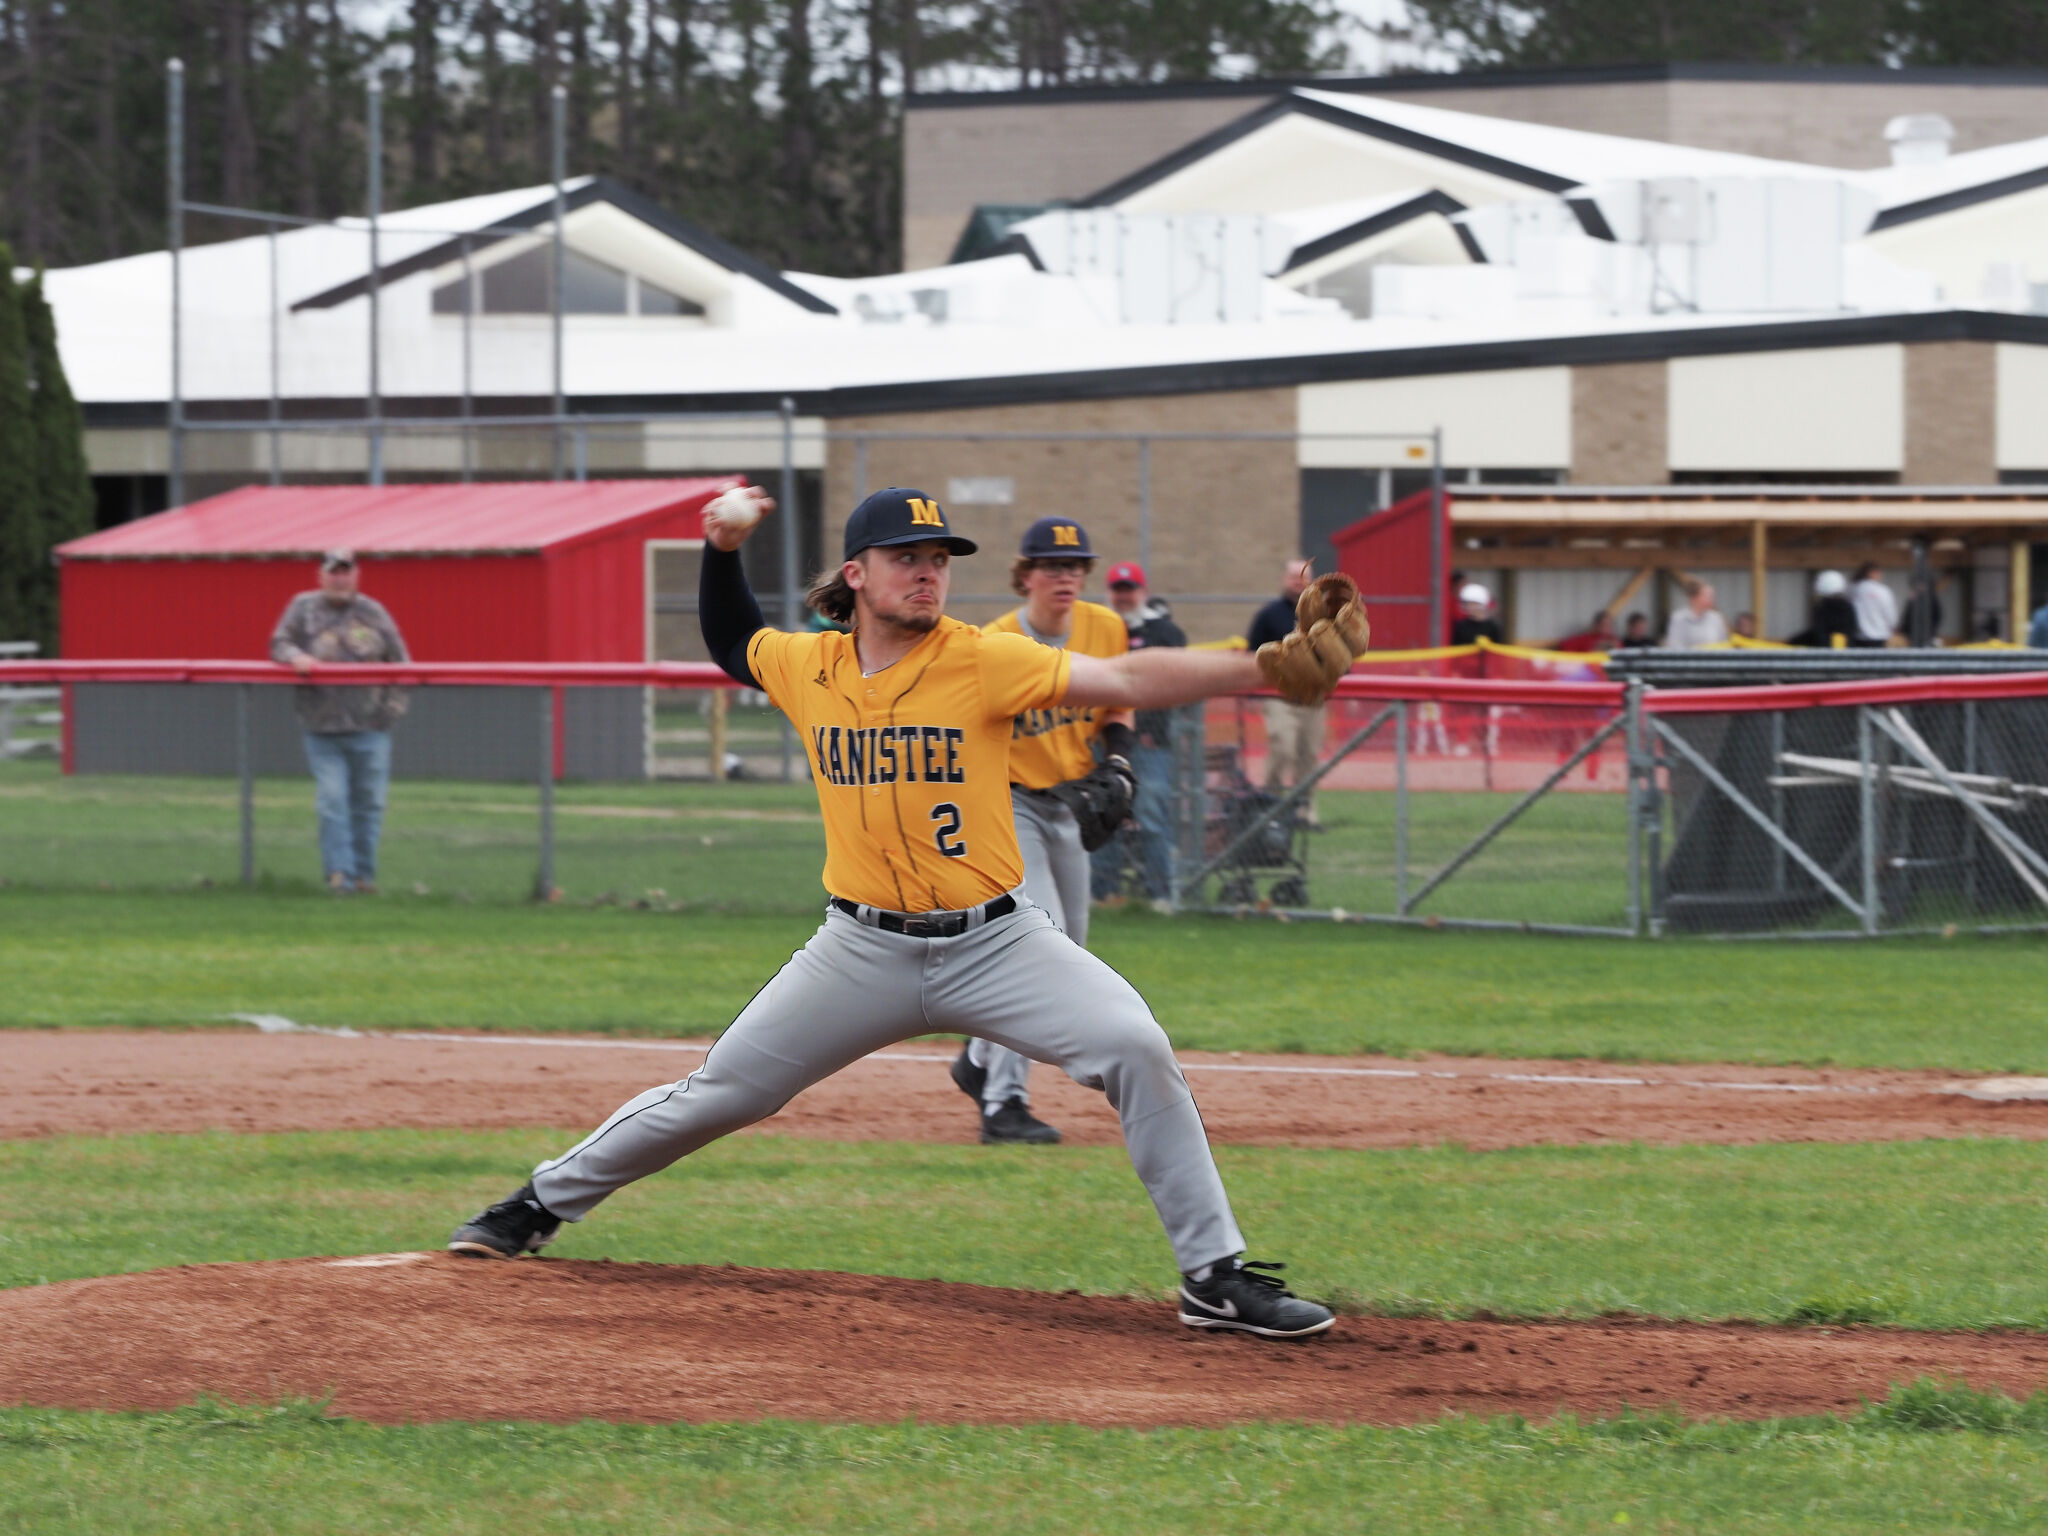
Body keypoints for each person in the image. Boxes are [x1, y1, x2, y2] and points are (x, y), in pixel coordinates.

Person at [448, 485, 1342, 1340]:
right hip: (858, 951)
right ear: (856, 574)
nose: (927, 572)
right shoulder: (811, 667)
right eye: (906, 556)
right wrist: (721, 549)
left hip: (998, 941)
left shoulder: (981, 657)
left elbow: (1125, 676)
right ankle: (538, 1203)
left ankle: (1214, 1276)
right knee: (724, 1091)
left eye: (940, 559)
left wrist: (1259, 666)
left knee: (1135, 1045)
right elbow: (733, 640)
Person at [947, 516, 1132, 1147]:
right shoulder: (996, 642)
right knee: (1039, 945)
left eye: (1076, 566)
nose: (1065, 577)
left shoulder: (1105, 628)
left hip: (1069, 804)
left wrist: (1119, 762)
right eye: (1052, 566)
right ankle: (1003, 1104)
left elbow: (1119, 704)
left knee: (1070, 947)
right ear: (1025, 575)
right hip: (1009, 803)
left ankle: (978, 1060)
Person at [269, 550, 410, 894]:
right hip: (322, 728)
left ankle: (363, 876)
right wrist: (296, 656)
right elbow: (278, 643)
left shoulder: (373, 612)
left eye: (346, 572)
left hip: (371, 728)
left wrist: (390, 712)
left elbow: (402, 663)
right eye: (334, 572)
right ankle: (339, 875)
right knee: (332, 801)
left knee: (369, 803)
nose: (340, 579)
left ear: (356, 576)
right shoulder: (303, 608)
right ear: (321, 576)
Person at [1096, 560, 1185, 905]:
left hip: (1149, 743)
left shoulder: (1163, 632)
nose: (1123, 597)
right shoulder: (1097, 628)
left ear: (1142, 593)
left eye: (1129, 590)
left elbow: (1173, 683)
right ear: (1109, 593)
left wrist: (1154, 732)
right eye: (1118, 590)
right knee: (1102, 813)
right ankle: (1103, 891)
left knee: (1151, 814)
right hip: (1104, 739)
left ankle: (1160, 892)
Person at [1246, 559, 1326, 827]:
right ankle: (1270, 808)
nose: (1298, 581)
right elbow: (1252, 653)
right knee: (1283, 748)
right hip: (1279, 695)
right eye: (1293, 576)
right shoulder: (1269, 615)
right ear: (1284, 579)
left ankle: (1304, 812)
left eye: (1304, 576)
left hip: (1313, 696)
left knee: (1308, 754)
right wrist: (1253, 689)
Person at [1791, 570, 1859, 648]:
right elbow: (1852, 630)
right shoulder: (1848, 606)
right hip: (1846, 648)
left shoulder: (1822, 607)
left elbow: (1819, 632)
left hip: (1826, 649)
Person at [1662, 579, 1727, 649]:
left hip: (1712, 655)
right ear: (1694, 597)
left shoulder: (1716, 618)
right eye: (1708, 596)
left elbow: (1723, 644)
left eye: (1712, 596)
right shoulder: (1679, 618)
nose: (1712, 599)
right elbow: (1675, 645)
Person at [1851, 561, 1898, 647]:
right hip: (1880, 635)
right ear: (1872, 573)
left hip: (1859, 635)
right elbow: (1889, 613)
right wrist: (1893, 626)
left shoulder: (1854, 589)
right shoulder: (1882, 590)